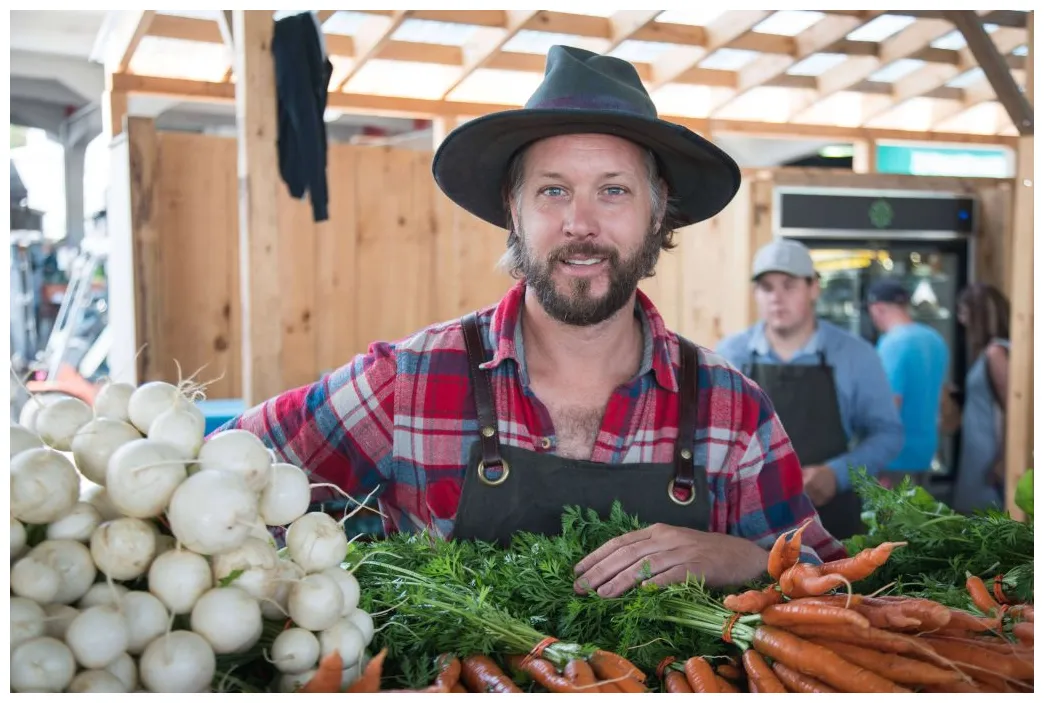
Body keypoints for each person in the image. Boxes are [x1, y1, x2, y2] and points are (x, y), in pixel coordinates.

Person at [217, 45, 845, 598]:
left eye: (614, 191)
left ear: (658, 218)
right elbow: (221, 477)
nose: (580, 223)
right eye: (552, 190)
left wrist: (749, 558)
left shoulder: (731, 409)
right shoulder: (407, 383)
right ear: (512, 214)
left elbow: (835, 583)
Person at [716, 240, 904, 540]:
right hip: (746, 529)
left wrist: (838, 474)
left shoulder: (855, 355)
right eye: (767, 287)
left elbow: (888, 434)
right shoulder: (729, 356)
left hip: (832, 525)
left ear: (813, 288)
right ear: (756, 294)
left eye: (789, 286)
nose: (777, 298)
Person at [866, 278, 950, 488]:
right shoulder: (935, 339)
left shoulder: (892, 344)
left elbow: (890, 403)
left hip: (894, 456)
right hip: (926, 450)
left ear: (877, 309)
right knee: (918, 517)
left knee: (888, 519)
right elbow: (942, 396)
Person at [949, 283, 1011, 514]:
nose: (961, 319)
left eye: (964, 312)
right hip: (979, 451)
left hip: (989, 454)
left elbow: (1012, 409)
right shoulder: (989, 352)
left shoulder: (997, 353)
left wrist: (1004, 459)